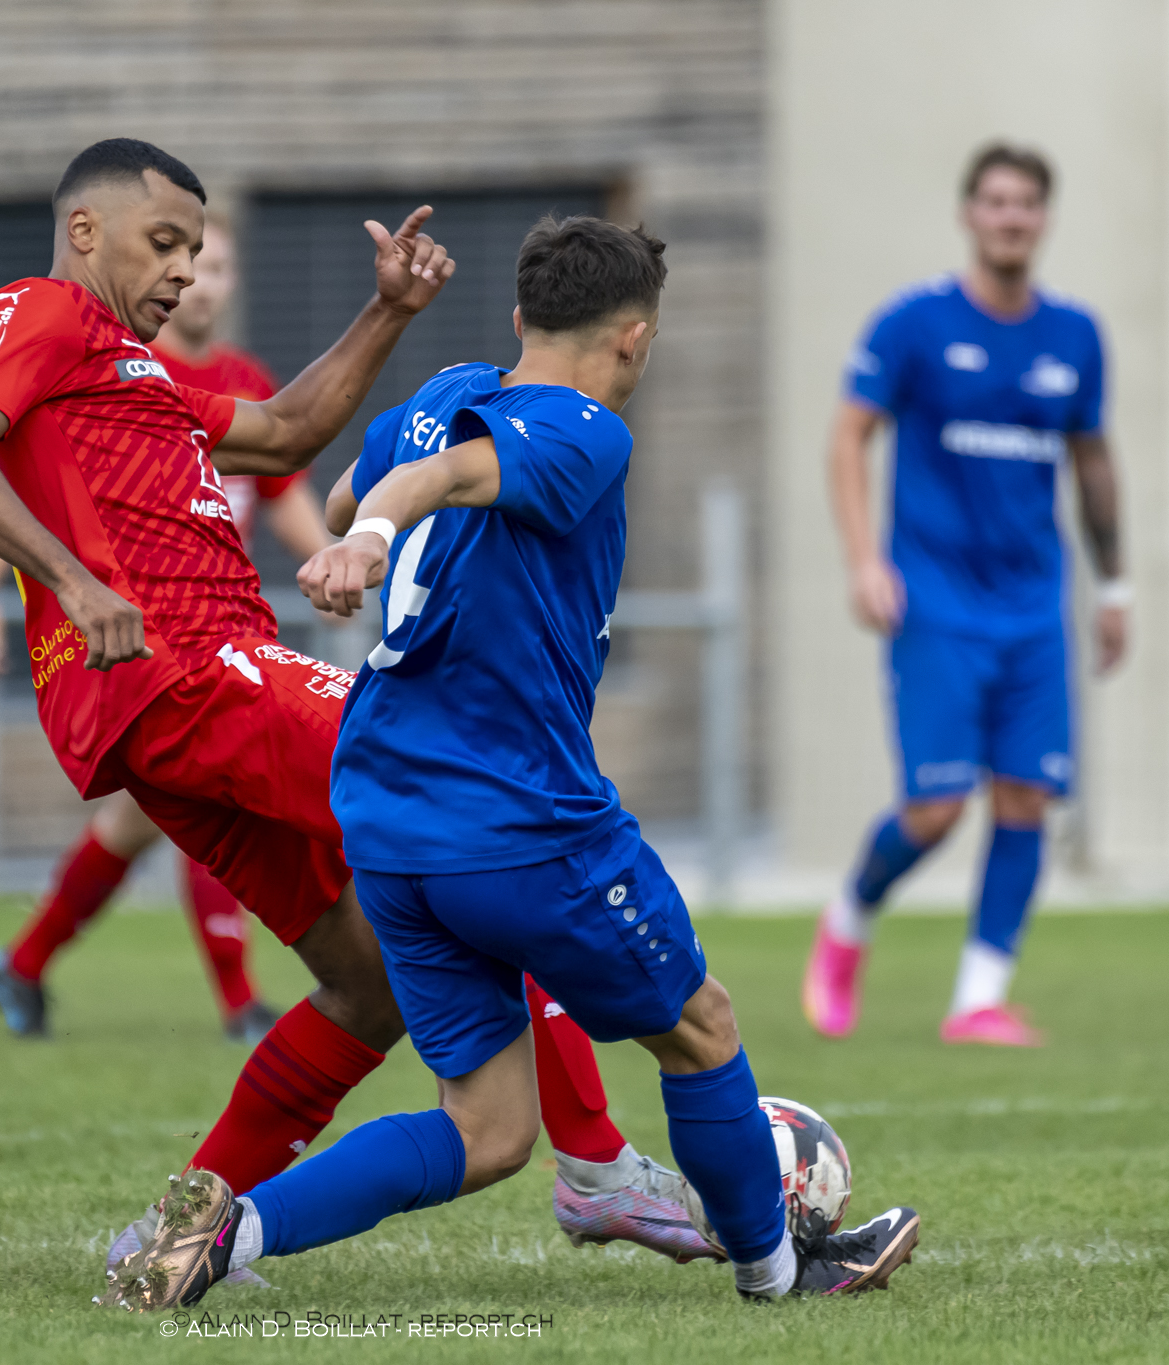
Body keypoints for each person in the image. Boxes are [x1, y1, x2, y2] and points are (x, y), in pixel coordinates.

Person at [0, 141, 721, 1269]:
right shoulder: (39, 309)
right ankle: (595, 1168)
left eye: (194, 246)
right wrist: (71, 580)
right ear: (85, 231)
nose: (184, 268)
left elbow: (285, 434)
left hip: (168, 712)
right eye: (163, 241)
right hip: (189, 668)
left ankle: (176, 1235)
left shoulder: (132, 374)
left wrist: (385, 314)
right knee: (482, 823)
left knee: (372, 982)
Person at [100, 216, 920, 1310]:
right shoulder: (585, 430)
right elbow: (421, 489)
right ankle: (782, 1271)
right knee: (700, 1026)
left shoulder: (440, 390)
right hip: (517, 819)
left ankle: (228, 1235)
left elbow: (354, 485)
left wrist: (364, 522)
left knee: (485, 1131)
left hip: (388, 819)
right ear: (634, 339)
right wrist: (375, 536)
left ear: (520, 316)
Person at [0, 212, 328, 1044]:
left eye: (215, 263)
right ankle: (240, 1003)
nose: (196, 276)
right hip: (131, 635)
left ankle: (23, 960)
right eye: (178, 255)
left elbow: (286, 489)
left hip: (214, 629)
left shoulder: (237, 378)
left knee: (144, 821)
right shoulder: (117, 361)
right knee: (208, 797)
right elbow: (11, 473)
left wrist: (352, 556)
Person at [801, 142, 1125, 1047]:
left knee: (1027, 798)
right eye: (996, 201)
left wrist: (1117, 587)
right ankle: (849, 919)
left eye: (1027, 203)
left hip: (1035, 607)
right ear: (970, 214)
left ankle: (978, 998)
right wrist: (866, 559)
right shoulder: (912, 323)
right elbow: (848, 436)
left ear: (1043, 218)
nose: (1011, 217)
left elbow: (1093, 461)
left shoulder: (1075, 335)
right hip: (934, 598)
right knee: (936, 809)